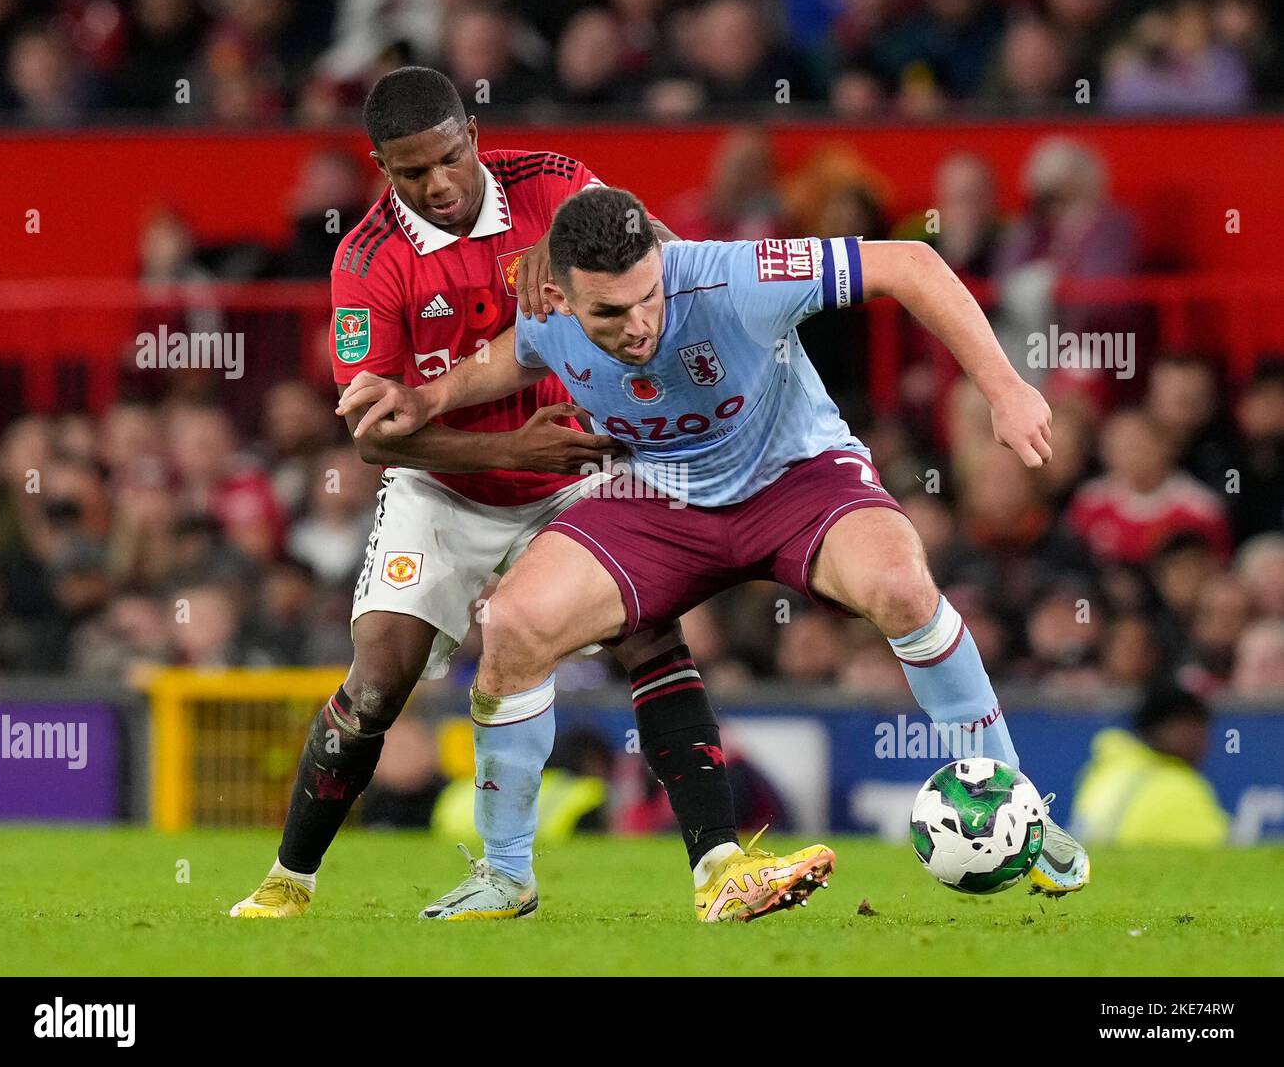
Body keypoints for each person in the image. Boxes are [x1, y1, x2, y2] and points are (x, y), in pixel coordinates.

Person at [341, 185, 1092, 901]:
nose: (638, 324)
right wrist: (429, 397)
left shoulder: (735, 275)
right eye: (609, 312)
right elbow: (517, 354)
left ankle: (1020, 810)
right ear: (561, 298)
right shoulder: (548, 319)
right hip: (658, 497)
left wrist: (1005, 388)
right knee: (512, 624)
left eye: (647, 297)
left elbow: (911, 262)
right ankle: (505, 876)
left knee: (901, 587)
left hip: (798, 479)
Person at [231, 69, 813, 925]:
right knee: (379, 678)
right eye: (409, 172)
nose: (437, 184)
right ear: (379, 167)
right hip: (445, 488)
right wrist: (509, 445)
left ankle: (719, 866)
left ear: (472, 131)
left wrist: (589, 247)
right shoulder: (365, 263)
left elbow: (653, 256)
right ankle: (290, 879)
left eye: (447, 157)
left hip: (578, 472)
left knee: (649, 631)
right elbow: (373, 435)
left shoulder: (557, 185)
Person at [1071, 685, 1229, 846]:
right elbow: (1215, 852)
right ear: (1162, 728)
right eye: (1196, 729)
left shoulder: (1103, 772)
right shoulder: (1180, 784)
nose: (1203, 742)